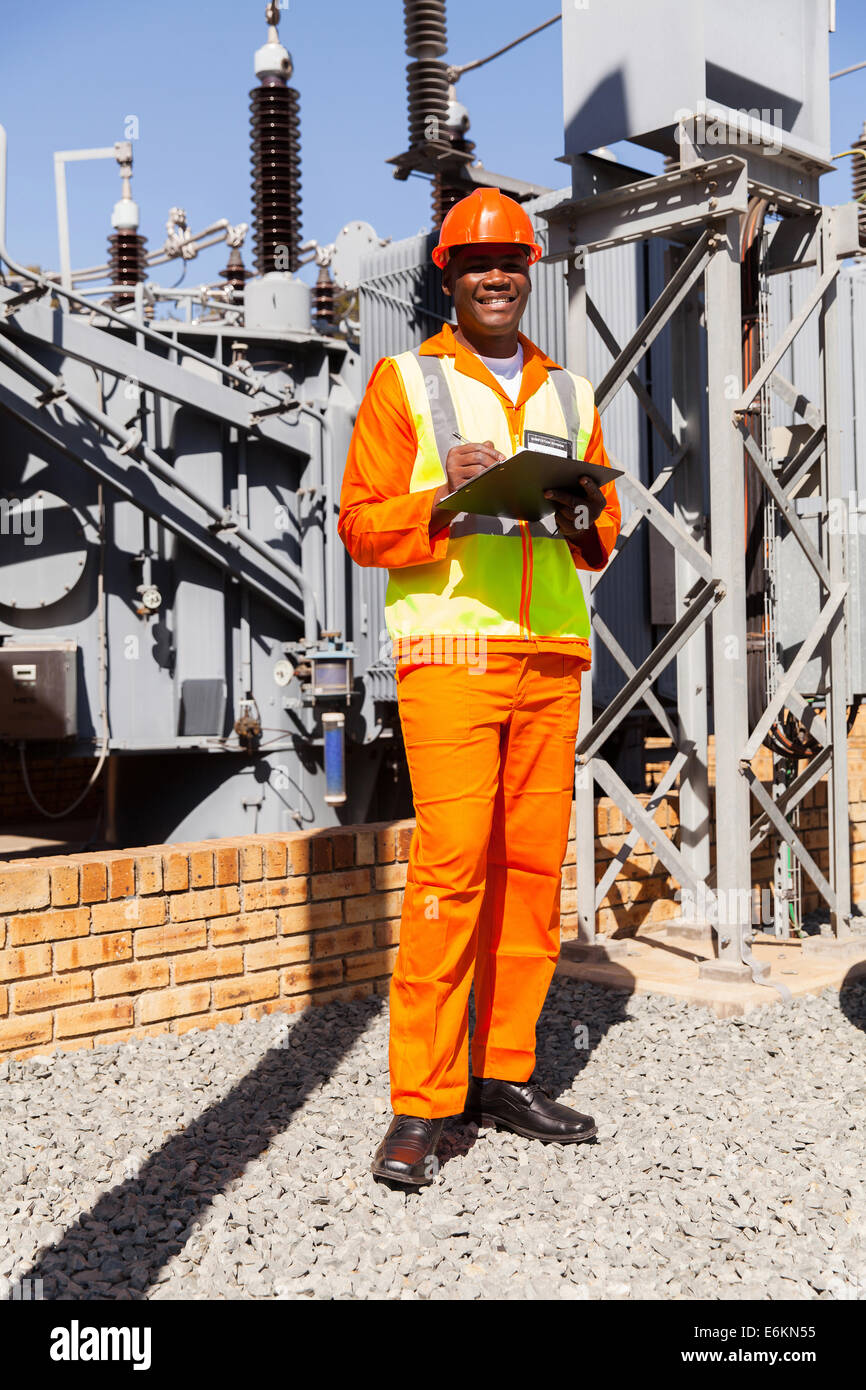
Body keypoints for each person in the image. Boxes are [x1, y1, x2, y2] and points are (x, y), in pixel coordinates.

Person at [338, 187, 621, 1188]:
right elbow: (362, 523)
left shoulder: (569, 391)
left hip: (548, 657)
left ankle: (503, 1072)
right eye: (475, 264)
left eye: (509, 262)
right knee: (451, 872)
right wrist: (444, 498)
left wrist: (574, 509)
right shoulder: (404, 382)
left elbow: (603, 530)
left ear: (526, 273)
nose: (494, 277)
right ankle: (422, 1102)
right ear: (449, 279)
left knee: (532, 875)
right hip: (451, 657)